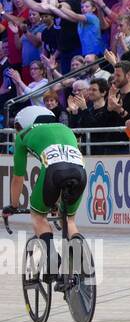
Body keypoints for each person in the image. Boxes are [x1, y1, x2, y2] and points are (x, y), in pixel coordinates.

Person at [8, 105, 87, 291]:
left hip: (53, 172)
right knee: (68, 219)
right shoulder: (66, 129)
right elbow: (66, 163)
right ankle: (77, 257)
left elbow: (18, 177)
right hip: (80, 172)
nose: (18, 131)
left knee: (38, 216)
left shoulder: (22, 136)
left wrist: (13, 205)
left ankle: (52, 259)